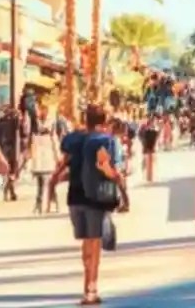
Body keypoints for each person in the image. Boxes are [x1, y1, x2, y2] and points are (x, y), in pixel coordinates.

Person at [50, 104, 130, 306]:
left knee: (87, 243)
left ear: (85, 120)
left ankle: (88, 284)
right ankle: (90, 290)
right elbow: (109, 169)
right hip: (96, 197)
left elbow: (63, 164)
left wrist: (53, 182)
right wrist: (121, 188)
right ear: (104, 122)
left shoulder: (73, 139)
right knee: (94, 245)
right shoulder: (106, 141)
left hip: (74, 197)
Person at [30, 103, 62, 213]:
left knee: (50, 182)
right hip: (39, 156)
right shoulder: (35, 123)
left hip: (48, 155)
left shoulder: (52, 124)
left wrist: (58, 157)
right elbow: (33, 141)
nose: (41, 111)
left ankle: (53, 203)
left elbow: (55, 141)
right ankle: (38, 204)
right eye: (40, 109)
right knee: (40, 182)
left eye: (43, 109)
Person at [0, 104, 24, 202]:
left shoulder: (0, 124)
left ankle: (10, 192)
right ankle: (10, 192)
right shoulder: (9, 123)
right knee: (11, 171)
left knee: (9, 171)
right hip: (10, 149)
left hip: (6, 149)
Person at [140, 114, 161, 183]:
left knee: (152, 161)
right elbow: (142, 136)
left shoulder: (154, 128)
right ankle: (147, 176)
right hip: (148, 146)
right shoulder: (144, 128)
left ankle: (151, 177)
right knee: (147, 161)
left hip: (151, 146)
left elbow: (157, 136)